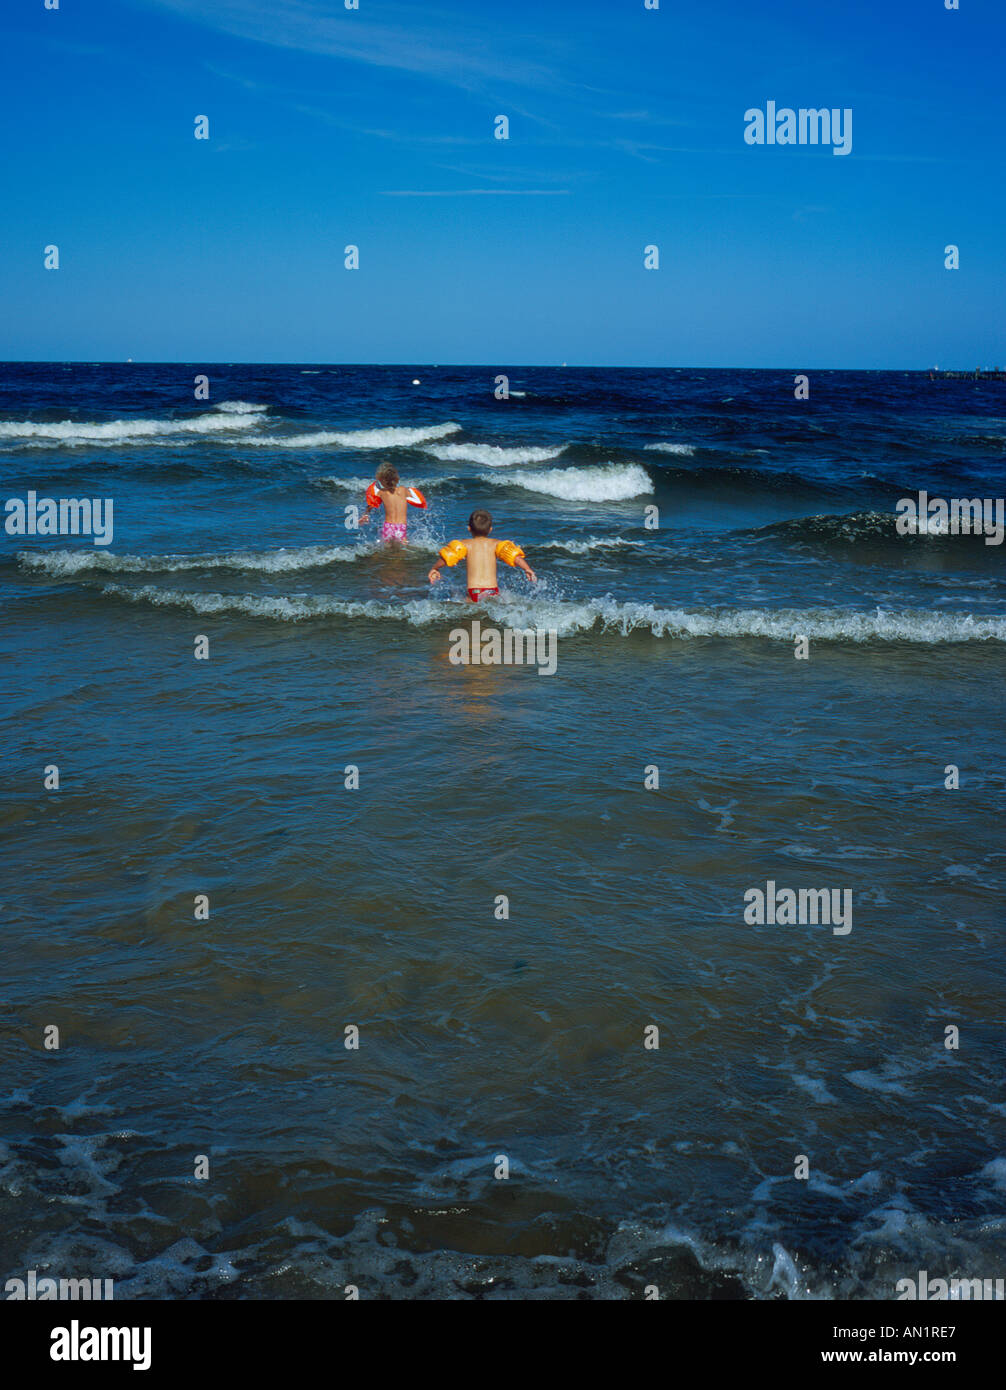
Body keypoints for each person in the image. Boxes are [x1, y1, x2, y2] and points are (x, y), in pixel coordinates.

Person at [427, 507, 536, 601]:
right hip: (492, 590)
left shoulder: (465, 544)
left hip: (473, 591)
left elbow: (447, 557)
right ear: (490, 530)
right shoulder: (496, 544)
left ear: (469, 529)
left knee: (472, 617)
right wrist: (527, 569)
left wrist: (435, 568)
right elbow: (515, 557)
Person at [360, 464, 427, 542]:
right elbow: (415, 497)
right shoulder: (403, 490)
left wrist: (365, 514)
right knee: (403, 545)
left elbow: (371, 505)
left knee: (386, 546)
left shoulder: (382, 492)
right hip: (401, 526)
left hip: (388, 526)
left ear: (382, 480)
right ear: (397, 479)